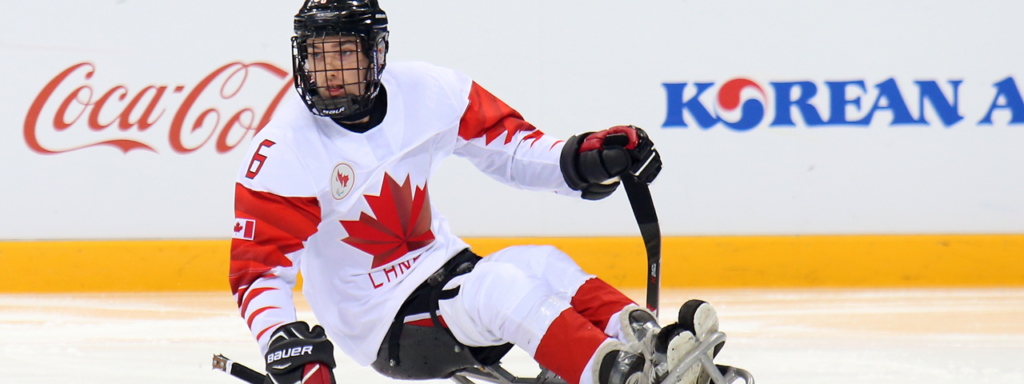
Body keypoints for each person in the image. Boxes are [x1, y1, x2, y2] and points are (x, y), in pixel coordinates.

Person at [229, 1, 723, 384]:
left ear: (375, 52)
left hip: (445, 273)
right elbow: (259, 272)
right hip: (384, 324)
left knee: (542, 264)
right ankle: (610, 372)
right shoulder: (285, 149)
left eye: (342, 51)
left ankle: (654, 345)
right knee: (501, 289)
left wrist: (581, 159)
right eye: (316, 54)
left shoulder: (428, 91)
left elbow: (511, 149)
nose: (328, 71)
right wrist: (280, 338)